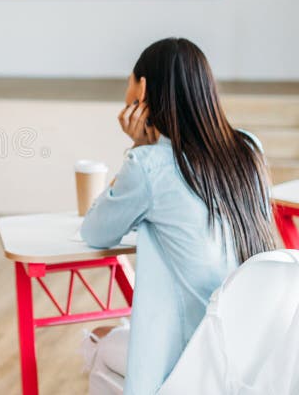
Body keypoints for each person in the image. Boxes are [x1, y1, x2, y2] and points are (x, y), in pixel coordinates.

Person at [80, 38, 276, 394]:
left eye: (128, 81)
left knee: (96, 343)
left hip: (193, 358)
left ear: (142, 89)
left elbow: (95, 232)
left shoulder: (149, 165)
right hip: (255, 352)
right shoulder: (249, 149)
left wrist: (139, 149)